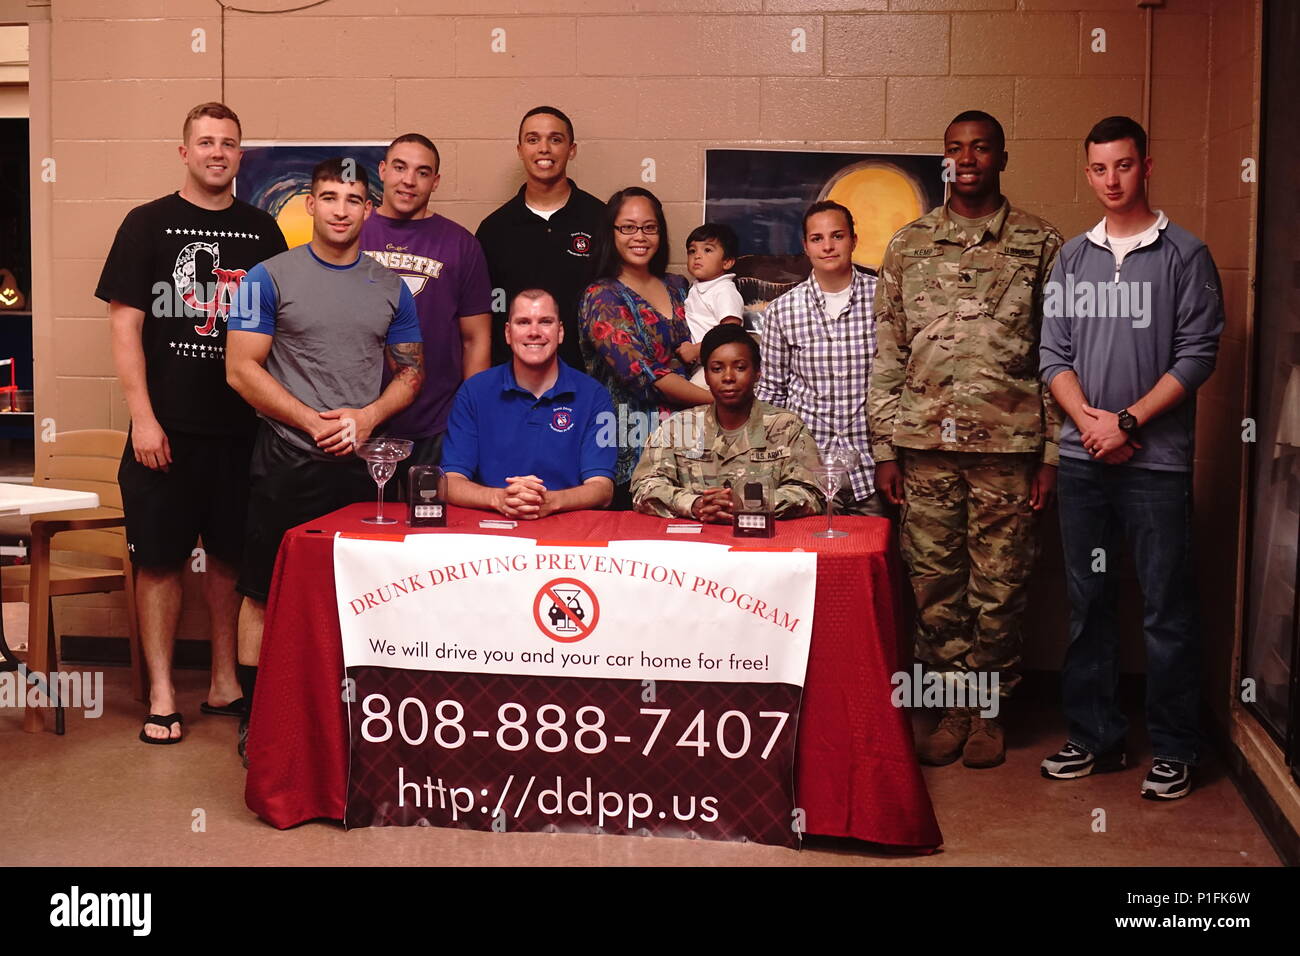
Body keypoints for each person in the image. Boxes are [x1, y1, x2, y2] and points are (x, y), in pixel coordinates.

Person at [869, 110, 1063, 770]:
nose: (968, 158)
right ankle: (951, 706)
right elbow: (890, 350)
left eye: (981, 148)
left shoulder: (1040, 244)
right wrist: (885, 447)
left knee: (1002, 587)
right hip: (923, 446)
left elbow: (1059, 356)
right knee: (933, 586)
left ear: (1002, 158)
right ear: (943, 163)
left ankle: (988, 709)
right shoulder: (908, 246)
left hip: (1009, 449)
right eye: (955, 149)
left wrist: (1052, 454)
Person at [1038, 116, 1223, 800]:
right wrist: (1087, 420)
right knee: (1090, 603)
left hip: (1155, 464)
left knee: (1165, 608)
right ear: (1086, 172)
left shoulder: (1186, 256)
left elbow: (1197, 356)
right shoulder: (1072, 260)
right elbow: (1052, 354)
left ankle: (1176, 747)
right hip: (1084, 461)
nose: (1110, 180)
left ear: (1146, 166)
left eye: (1123, 166)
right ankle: (1096, 738)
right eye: (1098, 169)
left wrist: (1126, 422)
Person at [96, 102, 287, 745]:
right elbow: (125, 327)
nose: (217, 152)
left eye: (228, 143)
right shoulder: (146, 224)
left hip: (243, 433)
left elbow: (280, 334)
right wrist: (142, 420)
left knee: (232, 560)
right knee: (160, 562)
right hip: (165, 432)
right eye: (205, 142)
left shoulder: (263, 232)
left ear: (241, 155)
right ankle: (160, 690)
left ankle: (225, 681)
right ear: (184, 152)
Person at [225, 158, 424, 764]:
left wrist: (365, 419)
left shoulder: (391, 286)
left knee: (358, 593)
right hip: (287, 459)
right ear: (309, 205)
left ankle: (345, 716)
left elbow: (412, 372)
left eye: (354, 198)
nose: (341, 209)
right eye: (330, 197)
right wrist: (312, 421)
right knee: (263, 591)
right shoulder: (267, 276)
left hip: (361, 466)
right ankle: (258, 720)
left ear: (370, 208)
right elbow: (240, 369)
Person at [360, 133, 492, 472]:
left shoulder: (462, 244)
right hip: (360, 419)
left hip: (437, 423)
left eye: (422, 172)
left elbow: (475, 338)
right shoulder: (351, 232)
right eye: (400, 168)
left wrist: (469, 415)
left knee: (431, 523)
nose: (409, 180)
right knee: (363, 521)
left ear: (435, 182)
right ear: (383, 170)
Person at [579, 187, 712, 508]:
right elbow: (645, 376)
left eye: (649, 227)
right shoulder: (602, 296)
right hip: (630, 445)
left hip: (689, 447)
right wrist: (723, 401)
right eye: (628, 227)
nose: (640, 236)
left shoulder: (678, 285)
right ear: (611, 233)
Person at [442, 289, 615, 518]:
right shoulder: (474, 392)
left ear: (560, 332)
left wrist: (551, 501)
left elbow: (603, 489)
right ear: (507, 333)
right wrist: (498, 498)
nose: (534, 332)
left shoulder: (595, 396)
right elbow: (449, 482)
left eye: (545, 322)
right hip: (490, 529)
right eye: (523, 322)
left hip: (568, 533)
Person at [755, 200, 880, 515]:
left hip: (873, 469)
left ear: (854, 240)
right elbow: (772, 393)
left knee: (877, 557)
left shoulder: (884, 299)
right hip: (807, 473)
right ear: (806, 246)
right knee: (810, 560)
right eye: (817, 238)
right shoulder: (782, 311)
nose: (828, 246)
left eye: (837, 236)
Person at [632, 324, 821, 522]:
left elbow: (811, 494)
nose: (728, 377)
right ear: (705, 375)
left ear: (757, 372)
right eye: (717, 369)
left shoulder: (786, 427)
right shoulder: (677, 428)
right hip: (695, 544)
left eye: (740, 367)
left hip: (761, 544)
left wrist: (747, 502)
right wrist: (694, 504)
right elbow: (644, 488)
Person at [476, 106, 605, 369]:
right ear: (520, 150)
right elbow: (485, 315)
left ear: (572, 149)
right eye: (533, 139)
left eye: (555, 139)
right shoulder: (494, 229)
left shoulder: (601, 219)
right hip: (515, 379)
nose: (543, 148)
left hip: (589, 377)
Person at [678, 223, 745, 387]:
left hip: (719, 364)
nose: (697, 256)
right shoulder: (696, 288)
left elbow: (730, 332)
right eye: (692, 251)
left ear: (727, 262)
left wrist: (695, 350)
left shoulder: (724, 290)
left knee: (691, 399)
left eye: (707, 250)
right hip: (701, 364)